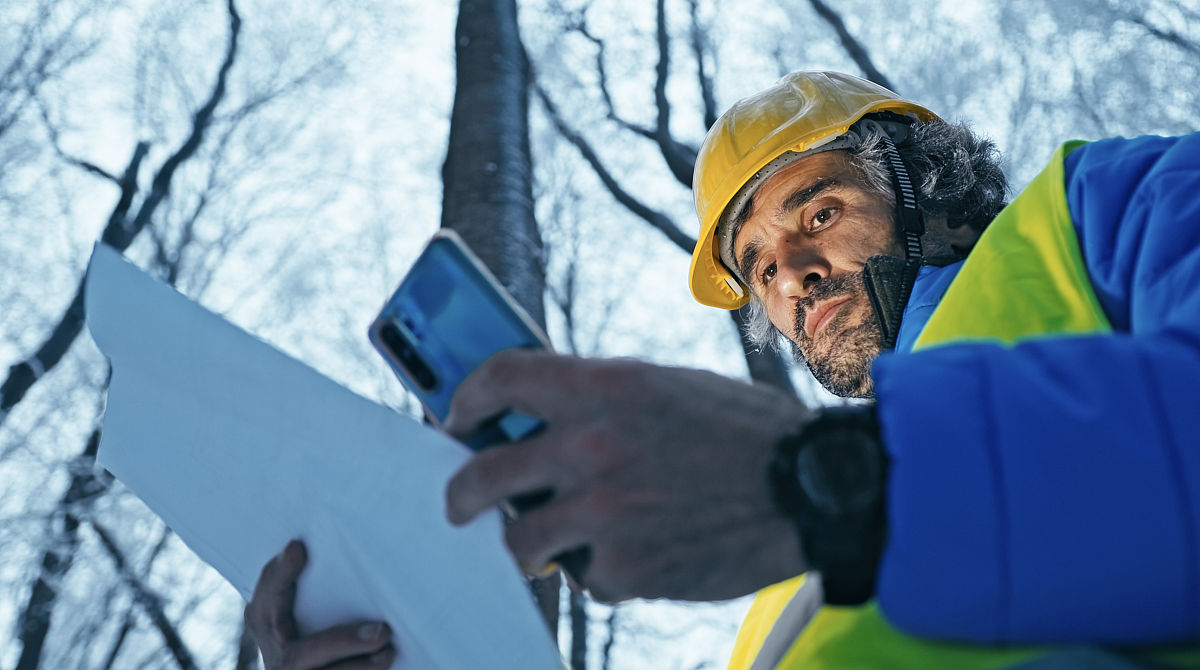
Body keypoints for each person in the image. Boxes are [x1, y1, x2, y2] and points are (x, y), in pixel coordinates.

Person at [245, 71, 1200, 669]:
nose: (793, 274)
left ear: (925, 184)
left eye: (819, 213)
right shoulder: (769, 601)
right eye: (760, 267)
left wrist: (833, 488)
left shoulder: (1104, 205)